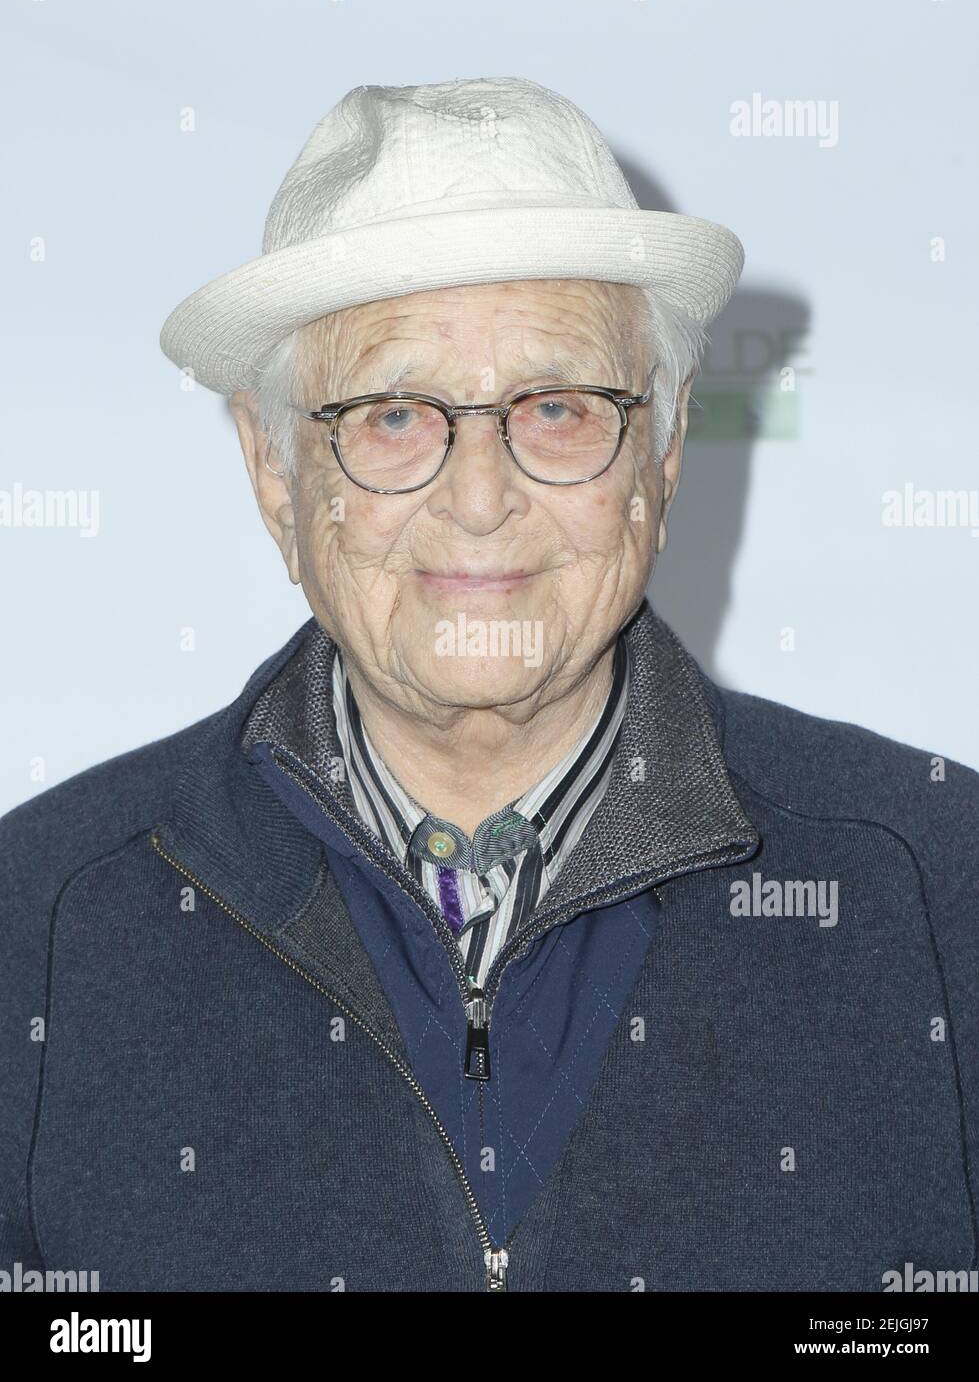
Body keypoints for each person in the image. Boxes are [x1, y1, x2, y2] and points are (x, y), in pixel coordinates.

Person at [2, 77, 976, 1294]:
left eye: (558, 408)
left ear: (662, 456)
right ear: (273, 470)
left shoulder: (944, 885)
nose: (479, 498)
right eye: (396, 414)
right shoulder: (31, 921)